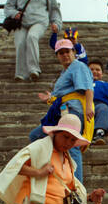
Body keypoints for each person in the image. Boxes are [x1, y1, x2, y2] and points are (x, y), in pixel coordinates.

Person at [31, 38, 94, 180]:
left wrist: (89, 107)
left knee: (72, 144)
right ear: (57, 56)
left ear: (74, 52)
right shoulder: (65, 72)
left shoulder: (78, 66)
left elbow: (88, 88)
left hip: (74, 111)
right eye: (61, 53)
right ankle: (54, 169)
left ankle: (77, 188)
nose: (65, 55)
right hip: (62, 111)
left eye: (67, 51)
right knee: (36, 136)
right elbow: (64, 93)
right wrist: (51, 97)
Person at [3, 0, 63, 82]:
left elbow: (54, 8)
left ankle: (34, 69)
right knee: (20, 43)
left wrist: (56, 22)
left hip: (39, 21)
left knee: (32, 37)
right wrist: (14, 13)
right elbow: (8, 6)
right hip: (22, 22)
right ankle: (20, 73)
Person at [87, 60, 108, 144]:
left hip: (100, 105)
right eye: (91, 69)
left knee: (104, 108)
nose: (94, 71)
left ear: (102, 73)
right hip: (85, 106)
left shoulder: (106, 85)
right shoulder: (84, 83)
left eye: (97, 70)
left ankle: (99, 133)